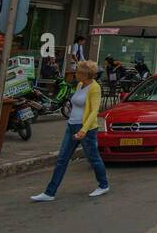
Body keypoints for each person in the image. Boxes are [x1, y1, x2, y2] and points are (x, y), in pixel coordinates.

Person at [31, 59, 108, 202]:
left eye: (79, 72)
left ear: (86, 75)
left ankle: (103, 185)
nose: (76, 74)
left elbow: (94, 111)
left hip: (86, 129)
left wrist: (84, 130)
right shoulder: (79, 85)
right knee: (62, 160)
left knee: (93, 158)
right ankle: (49, 192)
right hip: (72, 126)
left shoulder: (95, 88)